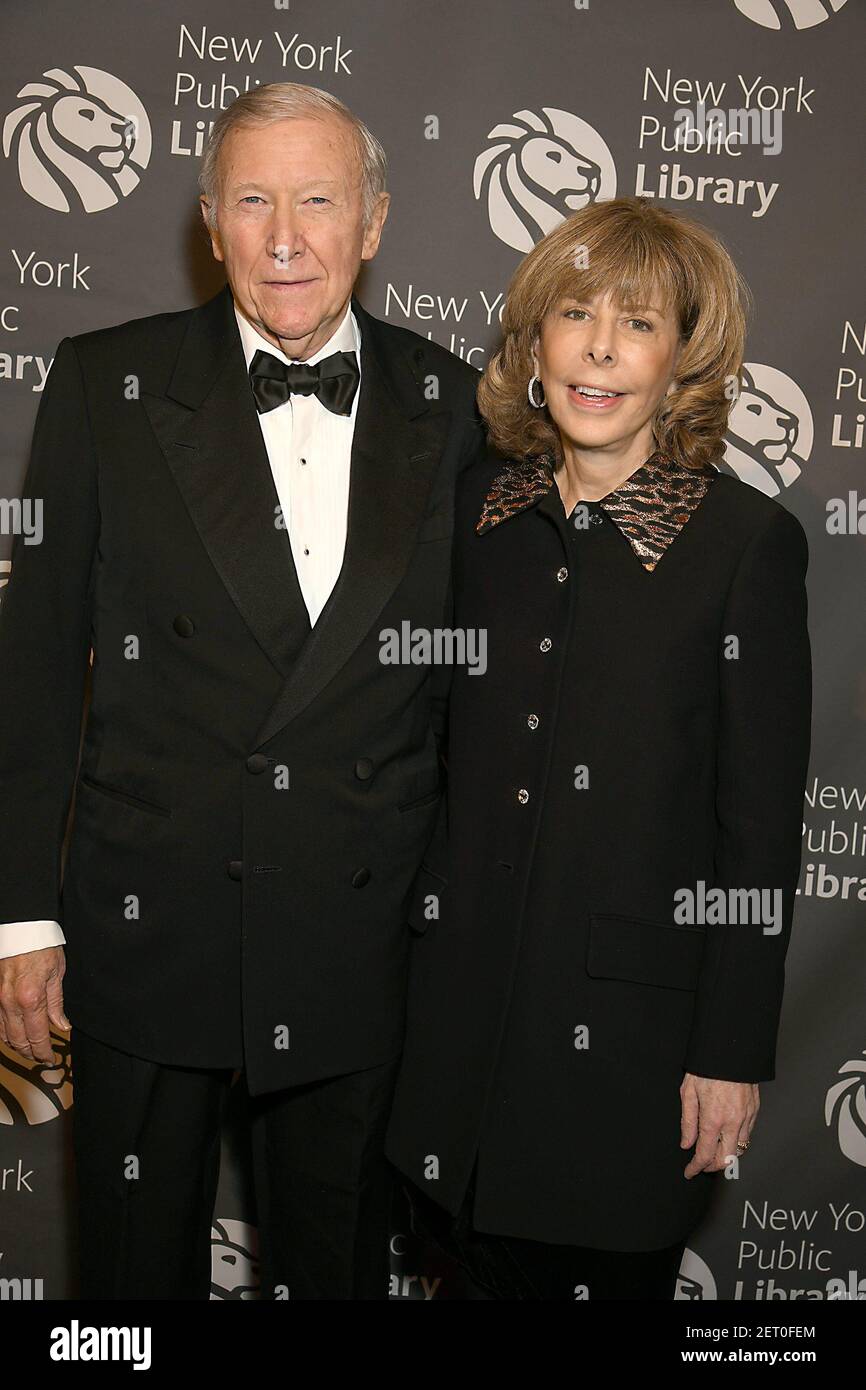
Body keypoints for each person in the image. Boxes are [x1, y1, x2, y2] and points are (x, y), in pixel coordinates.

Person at [0, 82, 484, 1300]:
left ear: (371, 221)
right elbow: (36, 669)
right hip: (146, 927)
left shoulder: (458, 408)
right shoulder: (105, 385)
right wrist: (20, 921)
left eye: (317, 200)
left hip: (354, 941)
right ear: (209, 222)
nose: (285, 236)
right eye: (253, 200)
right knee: (118, 1296)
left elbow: (482, 698)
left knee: (336, 1278)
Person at [384, 196, 812, 1300]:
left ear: (683, 358)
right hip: (450, 1035)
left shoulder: (742, 546)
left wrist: (728, 1050)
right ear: (535, 341)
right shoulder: (481, 511)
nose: (600, 350)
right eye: (575, 314)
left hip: (623, 1051)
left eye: (636, 324)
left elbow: (757, 829)